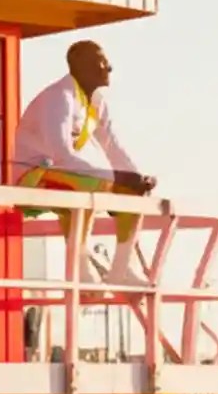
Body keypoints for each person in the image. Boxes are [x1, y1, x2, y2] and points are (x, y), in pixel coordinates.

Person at [11, 40, 156, 288]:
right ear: (80, 66)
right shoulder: (59, 98)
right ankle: (80, 268)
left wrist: (136, 177)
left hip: (62, 174)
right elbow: (61, 154)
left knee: (132, 190)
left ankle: (122, 269)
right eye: (101, 62)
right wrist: (114, 177)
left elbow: (113, 148)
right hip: (32, 177)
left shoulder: (96, 102)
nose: (108, 67)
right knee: (93, 184)